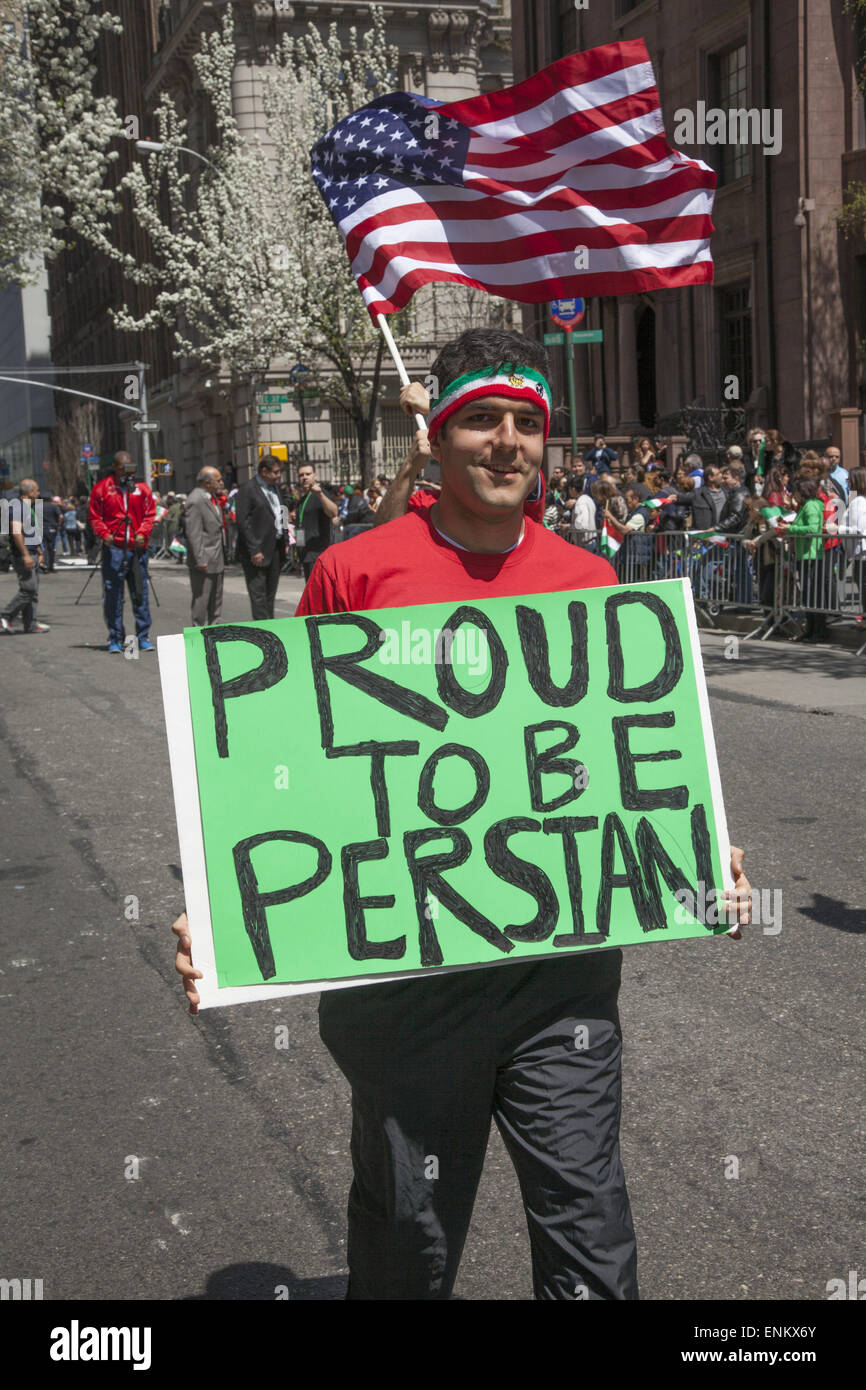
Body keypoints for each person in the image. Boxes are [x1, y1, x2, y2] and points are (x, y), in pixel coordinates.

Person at [174, 326, 752, 1301]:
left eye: (525, 422)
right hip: (404, 992)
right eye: (480, 418)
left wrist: (694, 845)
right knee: (408, 1244)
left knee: (588, 1233)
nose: (505, 441)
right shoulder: (354, 575)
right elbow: (287, 768)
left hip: (556, 986)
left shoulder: (590, 582)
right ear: (436, 439)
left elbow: (617, 770)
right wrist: (223, 911)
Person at [88, 451, 156, 653]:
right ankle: (115, 637)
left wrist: (143, 533)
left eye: (130, 467)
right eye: (123, 467)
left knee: (139, 593)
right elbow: (95, 516)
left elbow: (150, 515)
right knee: (113, 594)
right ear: (116, 468)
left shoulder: (141, 489)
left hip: (137, 549)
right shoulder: (102, 489)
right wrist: (104, 534)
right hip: (115, 549)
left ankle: (143, 636)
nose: (128, 471)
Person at [235, 454, 290, 619]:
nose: (278, 475)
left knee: (270, 594)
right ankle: (262, 629)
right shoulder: (248, 489)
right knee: (258, 595)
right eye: (275, 472)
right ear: (264, 472)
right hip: (257, 551)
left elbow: (283, 511)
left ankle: (270, 626)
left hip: (275, 548)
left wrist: (286, 538)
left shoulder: (275, 488)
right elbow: (243, 522)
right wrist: (254, 549)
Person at [0, 478, 49, 633]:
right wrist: (26, 554)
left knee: (33, 592)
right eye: (36, 490)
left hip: (33, 552)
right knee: (28, 589)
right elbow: (16, 532)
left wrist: (39, 551)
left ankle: (31, 624)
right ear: (30, 492)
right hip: (24, 554)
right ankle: (6, 615)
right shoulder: (19, 507)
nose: (39, 493)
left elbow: (31, 530)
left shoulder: (29, 507)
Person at [184, 467, 226, 626]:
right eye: (218, 480)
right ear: (207, 483)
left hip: (217, 558)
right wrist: (200, 559)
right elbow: (194, 533)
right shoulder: (195, 500)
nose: (221, 483)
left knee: (216, 604)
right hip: (205, 561)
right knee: (201, 603)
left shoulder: (211, 497)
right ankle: (198, 638)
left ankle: (214, 636)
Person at [292, 462, 338, 579]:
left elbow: (333, 512)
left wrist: (320, 495)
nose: (305, 477)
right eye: (301, 475)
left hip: (319, 554)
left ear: (315, 476)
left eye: (308, 474)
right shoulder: (302, 499)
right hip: (306, 553)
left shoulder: (320, 493)